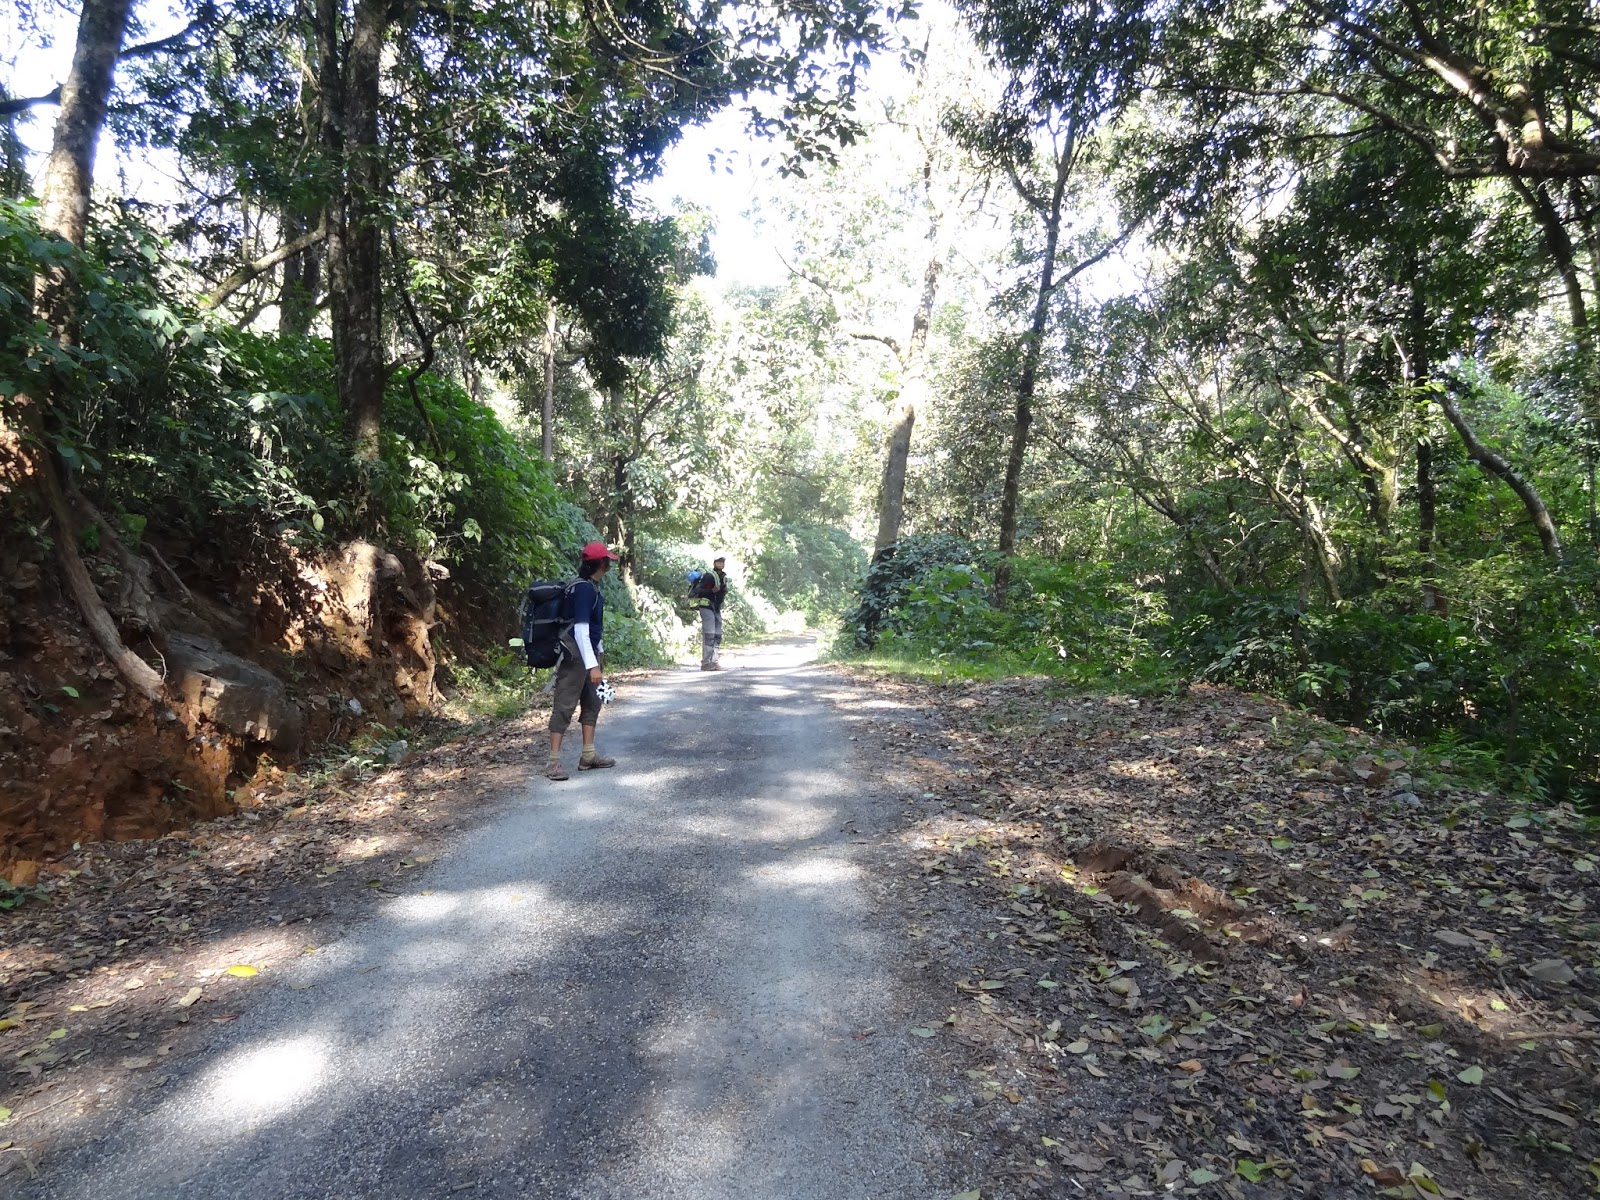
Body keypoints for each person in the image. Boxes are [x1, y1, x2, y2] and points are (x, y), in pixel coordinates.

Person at [546, 541, 620, 781]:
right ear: (600, 563)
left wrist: (598, 655)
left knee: (592, 702)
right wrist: (593, 665)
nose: (609, 563)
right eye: (607, 560)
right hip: (575, 655)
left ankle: (588, 755)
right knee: (564, 706)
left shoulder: (589, 587)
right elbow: (580, 629)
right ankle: (553, 762)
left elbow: (592, 629)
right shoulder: (584, 589)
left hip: (588, 654)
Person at [695, 555, 729, 670]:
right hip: (706, 607)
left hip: (716, 608)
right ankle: (706, 663)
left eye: (722, 562)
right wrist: (711, 590)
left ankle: (714, 662)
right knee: (709, 635)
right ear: (714, 563)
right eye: (719, 562)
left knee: (717, 635)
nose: (721, 564)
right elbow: (697, 590)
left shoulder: (723, 577)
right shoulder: (709, 576)